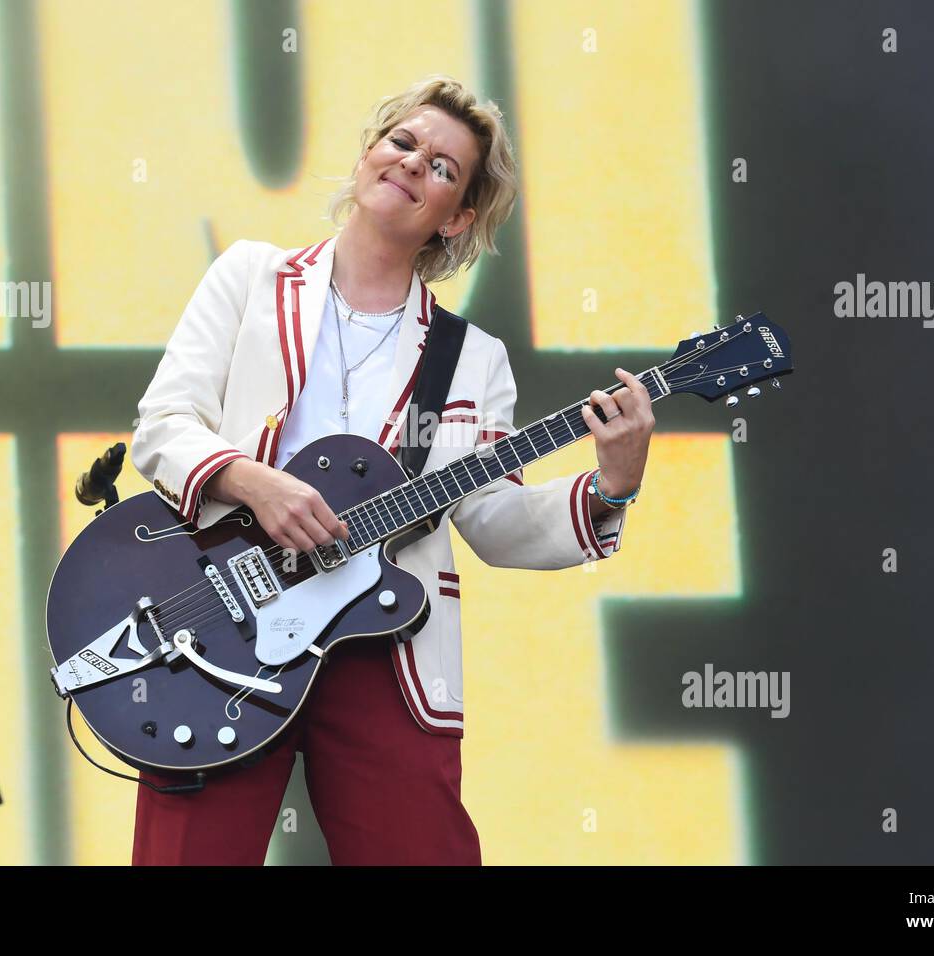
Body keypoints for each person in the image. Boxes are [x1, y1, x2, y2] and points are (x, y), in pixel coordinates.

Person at [127, 75, 654, 865]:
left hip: (387, 645)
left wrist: (612, 484)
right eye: (402, 142)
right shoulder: (249, 278)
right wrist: (250, 480)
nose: (413, 164)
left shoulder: (472, 360)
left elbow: (495, 522)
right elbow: (163, 427)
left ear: (460, 216)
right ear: (369, 154)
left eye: (443, 168)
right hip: (223, 627)